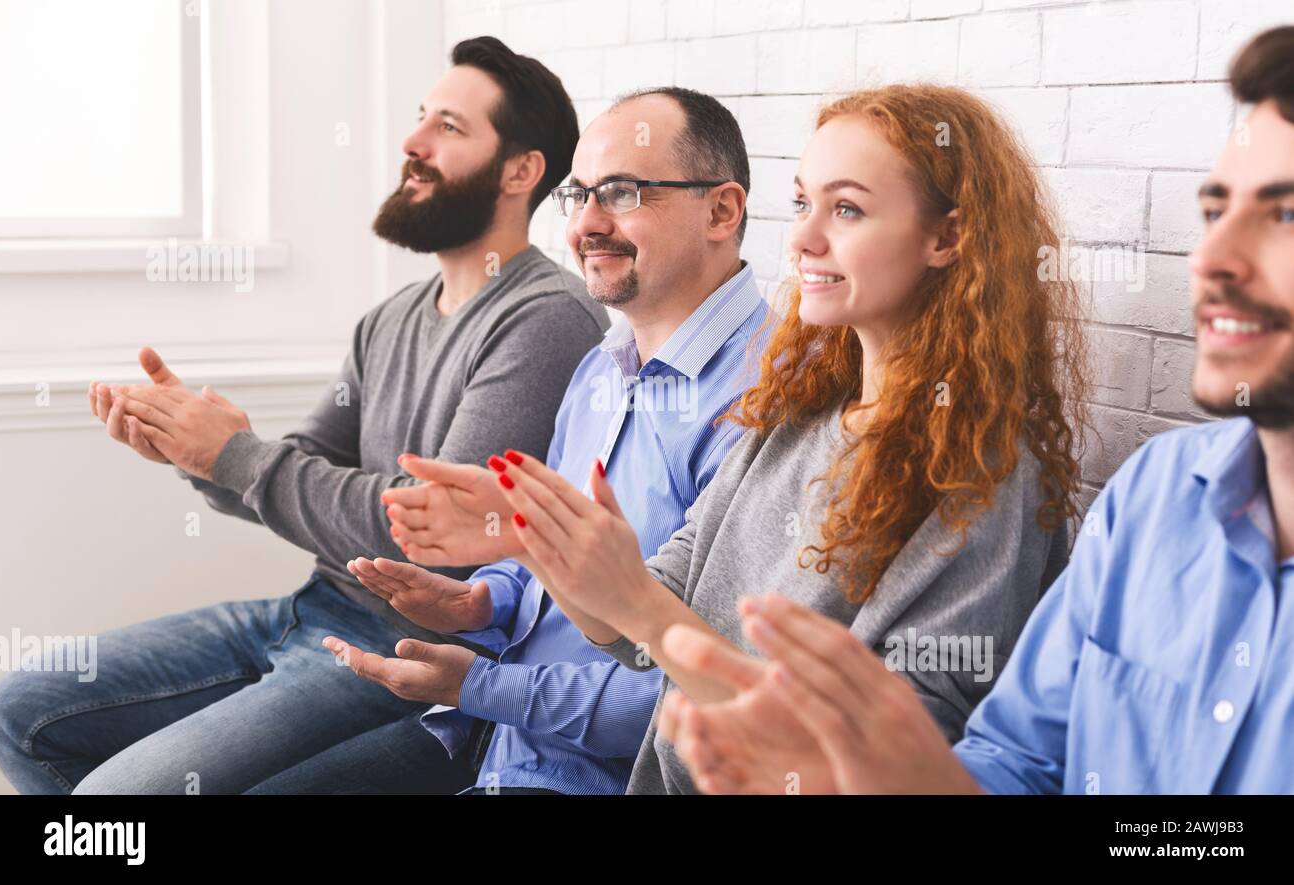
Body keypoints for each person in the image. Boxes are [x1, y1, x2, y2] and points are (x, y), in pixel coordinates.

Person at [664, 26, 1294, 795]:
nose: (1211, 258)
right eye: (1213, 210)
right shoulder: (1158, 492)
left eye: (1285, 213)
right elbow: (1016, 759)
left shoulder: (987, 475)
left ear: (949, 238)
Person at [0, 36, 608, 795]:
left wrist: (236, 455)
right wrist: (194, 451)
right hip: (313, 608)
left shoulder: (545, 319)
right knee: (20, 709)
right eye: (420, 118)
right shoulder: (390, 319)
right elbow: (302, 463)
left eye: (448, 127)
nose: (412, 143)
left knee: (116, 801)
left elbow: (435, 541)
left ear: (522, 170)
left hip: (412, 649)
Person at [447, 82, 1091, 794]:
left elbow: (886, 764)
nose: (803, 239)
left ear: (947, 237)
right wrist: (542, 538)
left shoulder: (985, 475)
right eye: (802, 203)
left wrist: (634, 602)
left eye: (845, 208)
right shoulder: (796, 413)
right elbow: (639, 628)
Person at [302, 87, 771, 795]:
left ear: (721, 210)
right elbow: (545, 560)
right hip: (490, 733)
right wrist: (483, 603)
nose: (585, 223)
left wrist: (484, 685)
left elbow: (694, 688)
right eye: (578, 194)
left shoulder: (766, 400)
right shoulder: (599, 369)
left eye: (620, 192)